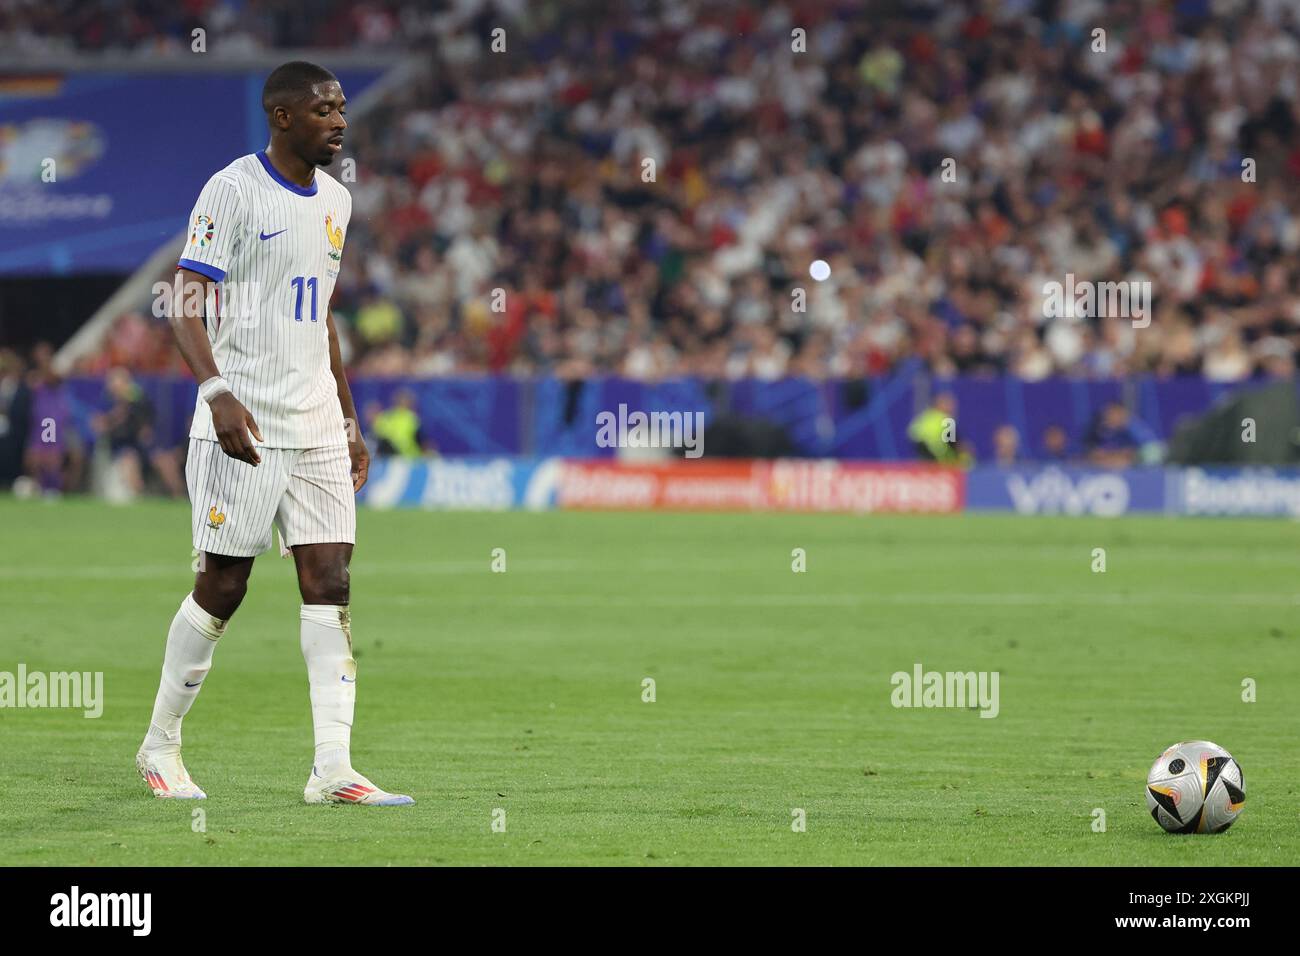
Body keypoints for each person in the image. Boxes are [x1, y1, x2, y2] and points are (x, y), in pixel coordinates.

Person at [137, 61, 412, 806]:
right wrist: (217, 391)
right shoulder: (232, 190)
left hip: (317, 421)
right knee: (223, 586)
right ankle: (160, 745)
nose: (340, 120)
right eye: (324, 109)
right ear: (283, 117)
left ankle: (333, 768)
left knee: (332, 584)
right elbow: (184, 302)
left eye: (343, 107)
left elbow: (319, 315)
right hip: (245, 421)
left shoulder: (338, 202)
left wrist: (349, 419)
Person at [908, 392, 971, 464]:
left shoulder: (925, 417)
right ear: (938, 405)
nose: (952, 407)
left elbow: (913, 436)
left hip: (925, 459)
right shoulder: (947, 420)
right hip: (939, 460)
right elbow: (953, 443)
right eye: (948, 404)